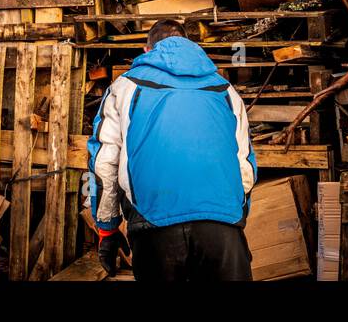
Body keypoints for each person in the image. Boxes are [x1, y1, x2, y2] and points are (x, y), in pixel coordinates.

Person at [87, 18, 257, 281]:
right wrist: (234, 218)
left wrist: (107, 228)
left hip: (153, 222)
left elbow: (104, 162)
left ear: (147, 50)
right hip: (221, 225)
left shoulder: (123, 87)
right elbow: (244, 164)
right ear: (191, 44)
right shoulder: (226, 90)